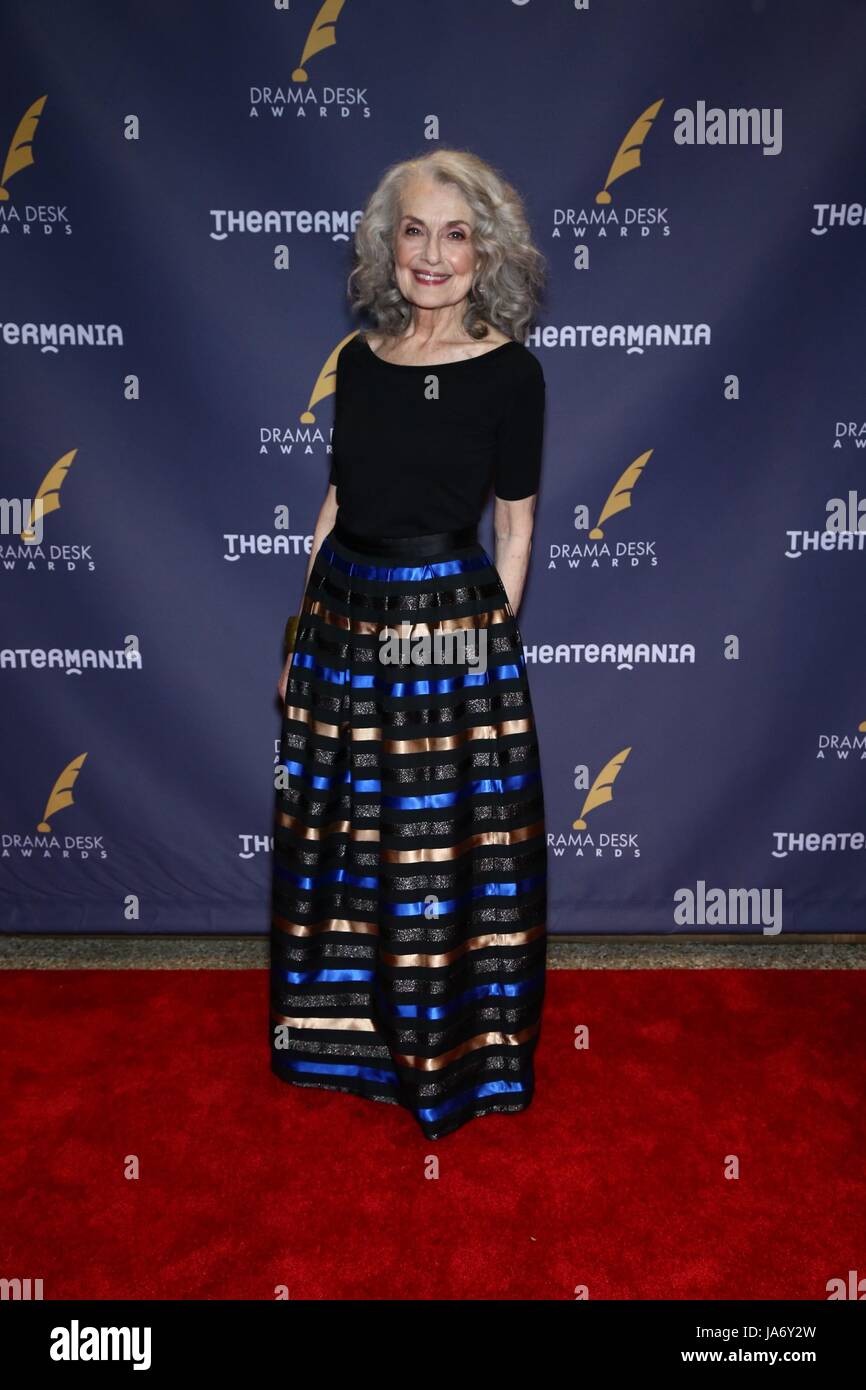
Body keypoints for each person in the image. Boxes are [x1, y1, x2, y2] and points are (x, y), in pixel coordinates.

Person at [270, 147, 548, 1141]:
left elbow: (512, 531)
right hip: (346, 608)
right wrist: (303, 642)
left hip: (444, 617)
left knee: (433, 851)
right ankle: (341, 1039)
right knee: (344, 830)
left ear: (487, 252)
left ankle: (447, 1058)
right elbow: (336, 500)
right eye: (413, 231)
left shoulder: (511, 373)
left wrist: (480, 663)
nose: (430, 254)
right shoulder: (357, 362)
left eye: (454, 233)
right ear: (388, 248)